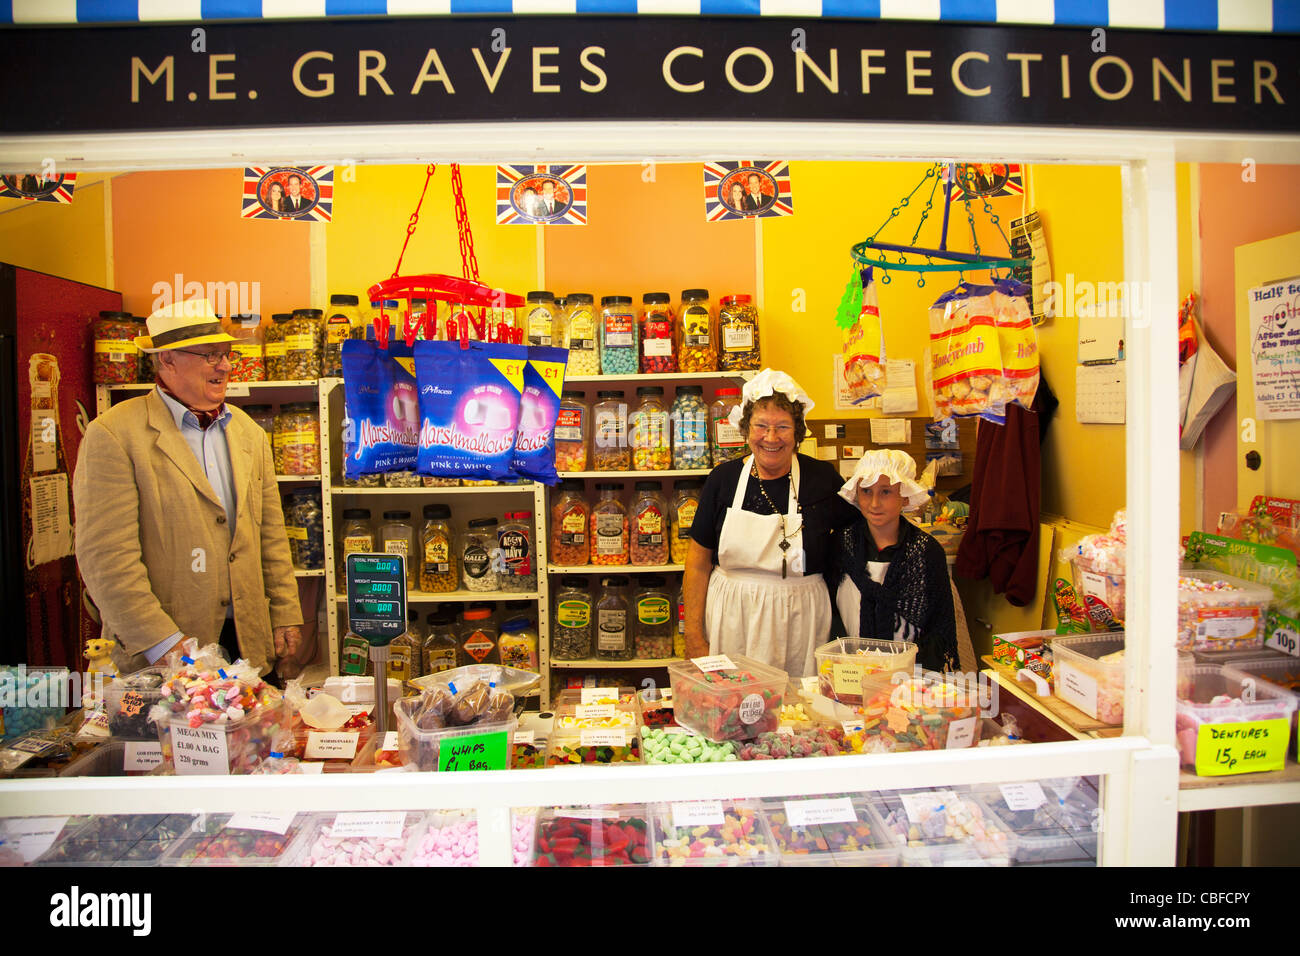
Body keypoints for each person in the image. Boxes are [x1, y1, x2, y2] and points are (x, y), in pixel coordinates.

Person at [72, 298, 304, 680]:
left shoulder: (248, 432)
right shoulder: (114, 434)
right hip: (166, 651)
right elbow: (107, 559)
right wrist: (165, 644)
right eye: (210, 355)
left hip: (248, 643)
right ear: (167, 360)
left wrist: (284, 615)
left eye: (227, 354)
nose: (225, 365)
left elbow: (270, 537)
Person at [683, 369, 852, 677]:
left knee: (799, 712)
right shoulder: (723, 480)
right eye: (761, 426)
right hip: (732, 617)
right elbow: (697, 562)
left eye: (783, 427)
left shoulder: (823, 480)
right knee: (731, 707)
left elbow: (853, 548)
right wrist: (694, 636)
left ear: (798, 432)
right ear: (746, 428)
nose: (771, 438)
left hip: (802, 619)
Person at [828, 449, 958, 672]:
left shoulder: (925, 552)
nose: (875, 503)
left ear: (905, 496)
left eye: (886, 492)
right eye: (866, 491)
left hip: (910, 670)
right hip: (850, 666)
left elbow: (938, 623)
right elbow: (830, 611)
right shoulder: (841, 545)